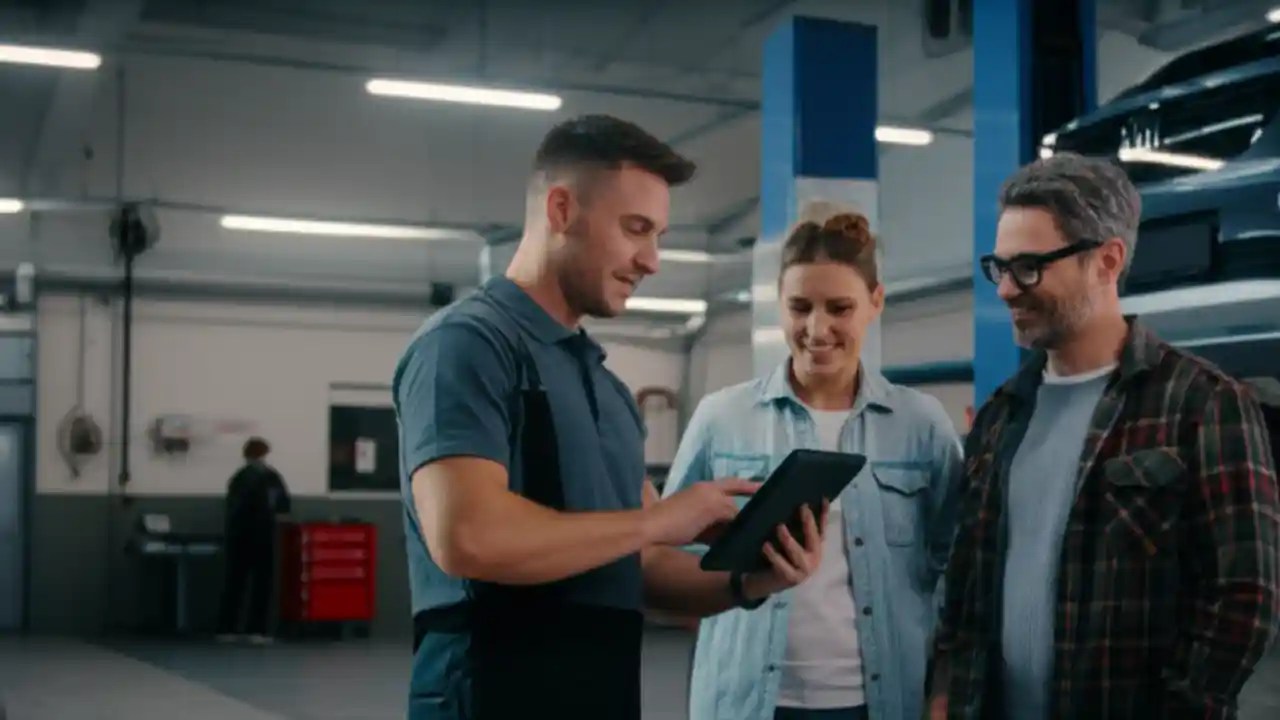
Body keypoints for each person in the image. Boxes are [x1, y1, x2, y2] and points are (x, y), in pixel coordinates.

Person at [394, 114, 827, 720]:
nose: (651, 260)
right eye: (635, 229)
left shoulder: (606, 388)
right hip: (488, 693)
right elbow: (469, 536)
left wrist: (755, 579)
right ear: (562, 210)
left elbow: (643, 568)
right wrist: (660, 520)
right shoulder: (466, 345)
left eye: (659, 236)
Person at [927, 152, 1280, 719]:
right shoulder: (1000, 418)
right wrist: (943, 696)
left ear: (1107, 261)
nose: (1006, 291)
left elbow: (1244, 597)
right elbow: (966, 589)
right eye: (999, 267)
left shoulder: (1205, 406)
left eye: (1030, 267)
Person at [662, 211, 965, 720]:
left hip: (882, 701)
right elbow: (667, 556)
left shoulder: (921, 424)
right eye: (799, 307)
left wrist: (944, 690)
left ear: (876, 302)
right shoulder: (722, 418)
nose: (816, 328)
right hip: (747, 702)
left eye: (839, 308)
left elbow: (958, 572)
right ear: (779, 303)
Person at [216, 436, 291, 643]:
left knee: (235, 583)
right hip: (263, 536)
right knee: (261, 584)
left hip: (240, 536)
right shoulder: (271, 477)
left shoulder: (239, 478)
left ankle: (227, 628)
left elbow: (232, 509)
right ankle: (257, 629)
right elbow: (283, 507)